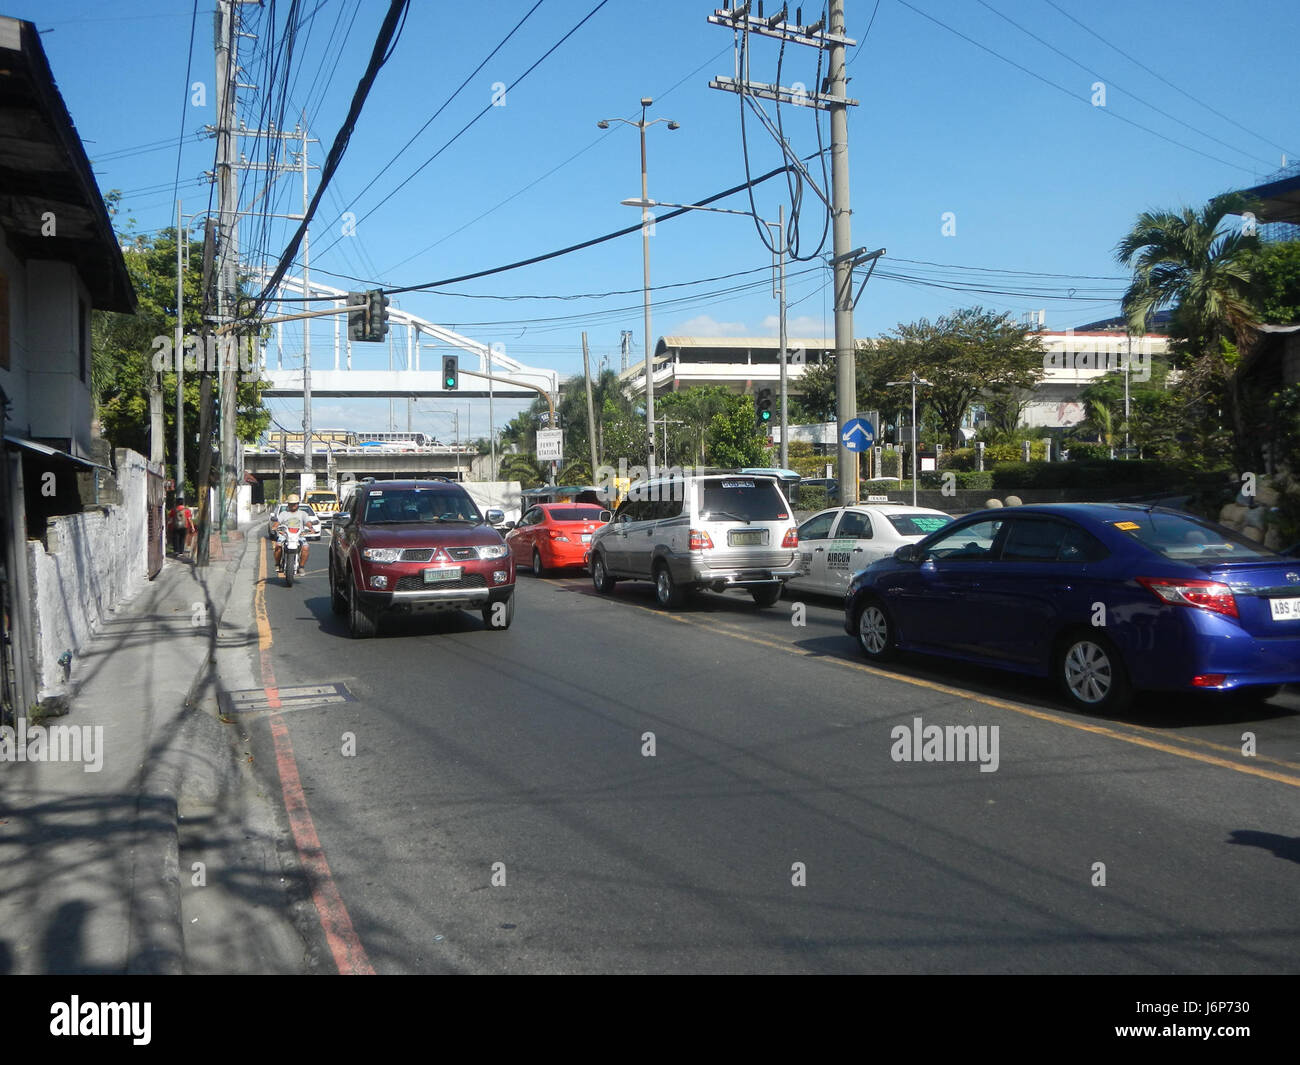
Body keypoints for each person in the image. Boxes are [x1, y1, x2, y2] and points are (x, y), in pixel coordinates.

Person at [271, 494, 310, 572]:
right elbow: (277, 522)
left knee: (306, 548)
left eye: (295, 504)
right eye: (291, 504)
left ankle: (301, 566)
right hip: (285, 535)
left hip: (299, 535)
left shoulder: (303, 514)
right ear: (288, 504)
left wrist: (311, 528)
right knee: (278, 546)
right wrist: (274, 527)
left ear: (298, 504)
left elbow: (308, 522)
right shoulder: (283, 514)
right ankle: (277, 564)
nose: (293, 505)